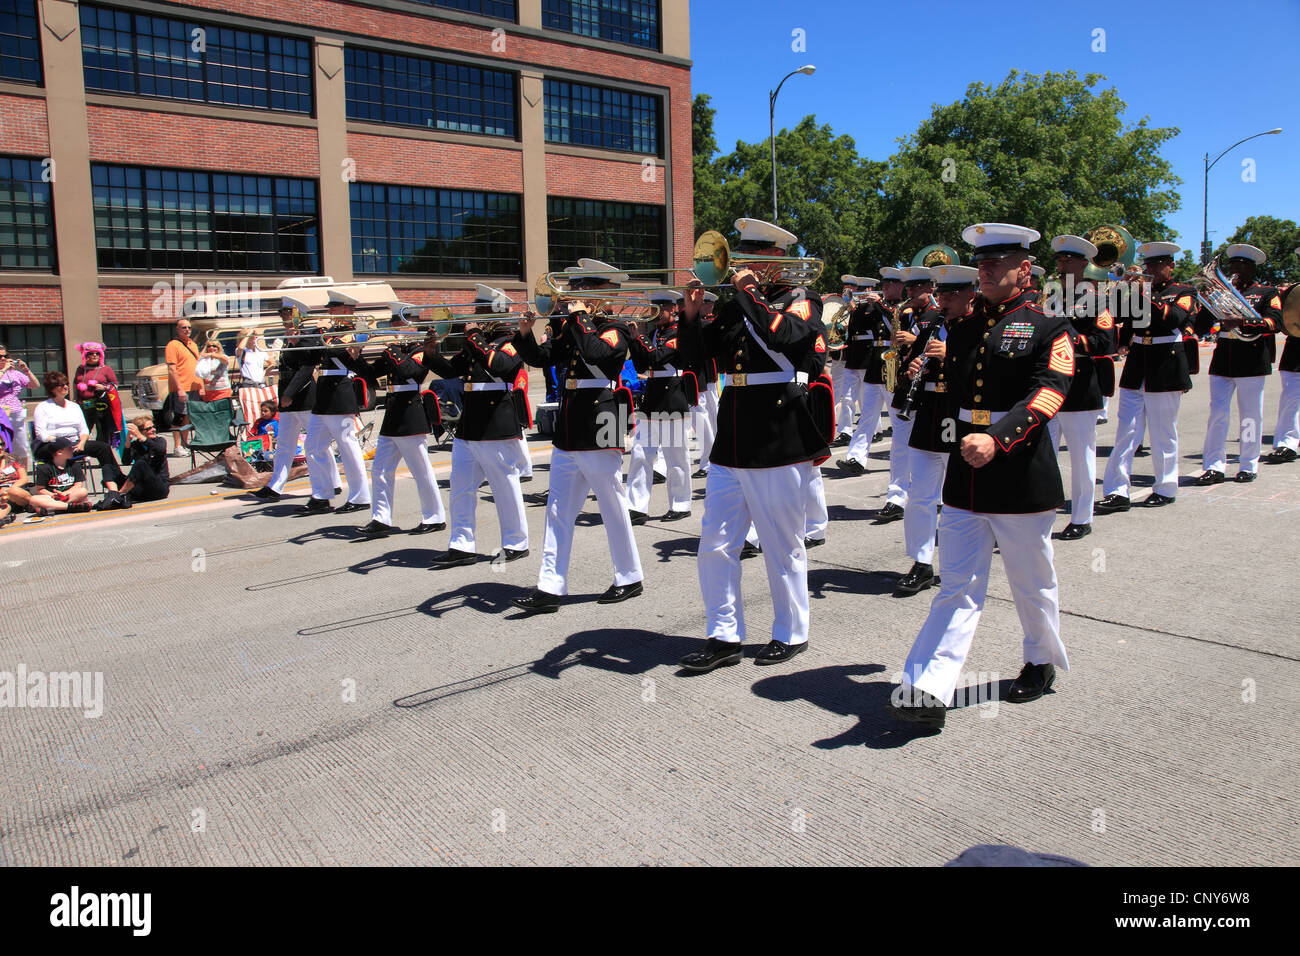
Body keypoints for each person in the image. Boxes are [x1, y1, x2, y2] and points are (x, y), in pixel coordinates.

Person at [891, 222, 1073, 731]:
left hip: (1019, 472)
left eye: (999, 262)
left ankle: (1040, 660)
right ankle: (927, 685)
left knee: (1031, 583)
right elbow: (955, 395)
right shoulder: (964, 327)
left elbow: (1049, 393)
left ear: (1024, 269)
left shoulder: (1049, 328)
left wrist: (999, 437)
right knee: (957, 583)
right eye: (983, 262)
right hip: (966, 477)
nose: (988, 269)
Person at [674, 218, 831, 672]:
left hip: (779, 434)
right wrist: (691, 312)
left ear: (778, 258)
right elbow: (696, 355)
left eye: (754, 255)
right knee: (715, 544)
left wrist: (747, 293)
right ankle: (723, 635)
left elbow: (784, 337)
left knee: (783, 545)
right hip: (734, 435)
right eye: (740, 254)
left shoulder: (801, 300)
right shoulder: (738, 304)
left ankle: (790, 630)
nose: (741, 262)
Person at [510, 259, 645, 613]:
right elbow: (544, 358)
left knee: (613, 504)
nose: (573, 296)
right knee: (557, 508)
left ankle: (629, 576)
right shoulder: (574, 326)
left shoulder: (615, 327)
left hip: (603, 416)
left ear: (606, 292)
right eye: (575, 289)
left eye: (584, 289)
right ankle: (550, 587)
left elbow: (597, 353)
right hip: (571, 421)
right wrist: (524, 335)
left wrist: (578, 318)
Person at [422, 285, 530, 561]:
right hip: (469, 423)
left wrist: (473, 335)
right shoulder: (476, 342)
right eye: (477, 310)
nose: (475, 315)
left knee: (504, 486)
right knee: (460, 487)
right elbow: (451, 371)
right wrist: (431, 352)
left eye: (480, 310)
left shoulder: (510, 341)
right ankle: (461, 544)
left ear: (497, 313)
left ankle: (517, 542)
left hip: (496, 421)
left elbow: (500, 367)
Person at [895, 264, 977, 596]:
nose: (944, 301)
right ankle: (921, 562)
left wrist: (951, 356)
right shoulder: (931, 326)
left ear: (971, 294)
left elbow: (988, 376)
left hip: (958, 415)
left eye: (952, 294)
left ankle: (958, 562)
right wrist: (911, 368)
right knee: (920, 496)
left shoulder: (980, 328)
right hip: (927, 413)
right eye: (941, 294)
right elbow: (906, 366)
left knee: (957, 497)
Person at [1096, 242, 1196, 513]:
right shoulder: (1138, 290)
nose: (1151, 269)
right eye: (1148, 265)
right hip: (1138, 361)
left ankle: (1165, 486)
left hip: (1166, 361)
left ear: (1170, 266)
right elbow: (1117, 314)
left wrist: (1143, 293)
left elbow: (1173, 317)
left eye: (1156, 265)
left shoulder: (1183, 291)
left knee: (1164, 432)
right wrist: (1121, 289)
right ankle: (1117, 491)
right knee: (1126, 431)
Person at [1191, 243, 1284, 484]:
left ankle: (1248, 464)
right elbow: (1200, 328)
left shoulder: (1266, 293)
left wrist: (1242, 322)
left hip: (1252, 360)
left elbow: (1274, 323)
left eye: (1241, 265)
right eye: (1232, 265)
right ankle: (1213, 466)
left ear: (1252, 268)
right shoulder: (1222, 293)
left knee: (1250, 416)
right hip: (1223, 359)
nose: (1235, 270)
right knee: (1217, 415)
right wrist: (1210, 306)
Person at [348, 319, 447, 538]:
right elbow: (371, 374)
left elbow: (409, 371)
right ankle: (381, 518)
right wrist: (356, 356)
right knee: (380, 469)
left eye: (400, 326)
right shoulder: (396, 352)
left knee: (421, 471)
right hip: (393, 416)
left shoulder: (420, 350)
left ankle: (435, 517)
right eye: (393, 326)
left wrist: (391, 349)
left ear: (412, 329)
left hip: (411, 415)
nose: (396, 331)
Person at [1045, 234, 1116, 540]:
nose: (1061, 266)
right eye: (1060, 260)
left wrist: (1069, 340)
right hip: (1048, 386)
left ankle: (1082, 517)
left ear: (1083, 264)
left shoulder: (1098, 301)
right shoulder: (1049, 299)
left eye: (1068, 260)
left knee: (1081, 455)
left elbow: (1105, 342)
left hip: (1080, 386)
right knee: (1044, 455)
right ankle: (1041, 514)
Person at [283, 293, 371, 514]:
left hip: (340, 393)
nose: (329, 312)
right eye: (330, 308)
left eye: (334, 308)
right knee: (312, 446)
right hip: (322, 395)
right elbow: (308, 359)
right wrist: (296, 341)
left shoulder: (356, 330)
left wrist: (313, 337)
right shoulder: (326, 331)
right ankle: (321, 495)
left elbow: (339, 352)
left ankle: (360, 496)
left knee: (348, 449)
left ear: (347, 310)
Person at [860, 266, 935, 526]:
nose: (911, 291)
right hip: (905, 386)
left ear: (930, 288)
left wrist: (915, 339)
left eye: (917, 287)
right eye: (909, 287)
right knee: (900, 447)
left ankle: (940, 496)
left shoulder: (939, 314)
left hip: (933, 390)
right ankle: (896, 498)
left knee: (936, 451)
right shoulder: (904, 312)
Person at [254, 304, 338, 502]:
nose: (284, 316)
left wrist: (290, 393)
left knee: (318, 444)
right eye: (281, 312)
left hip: (303, 396)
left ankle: (333, 482)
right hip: (288, 395)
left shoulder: (306, 336)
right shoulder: (286, 337)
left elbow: (307, 367)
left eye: (288, 313)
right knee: (284, 445)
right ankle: (275, 486)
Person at [627, 289, 694, 523]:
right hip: (653, 396)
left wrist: (640, 339)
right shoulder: (655, 333)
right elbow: (641, 365)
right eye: (654, 307)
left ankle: (681, 503)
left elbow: (657, 358)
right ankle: (636, 506)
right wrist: (635, 341)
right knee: (640, 454)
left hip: (672, 395)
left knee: (676, 457)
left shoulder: (678, 332)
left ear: (673, 309)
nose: (657, 312)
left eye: (662, 307)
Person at [32, 371, 125, 493]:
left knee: (103, 448)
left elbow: (84, 429)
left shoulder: (74, 406)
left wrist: (82, 442)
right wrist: (61, 442)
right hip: (51, 445)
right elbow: (41, 434)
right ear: (53, 388)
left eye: (66, 384)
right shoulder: (43, 407)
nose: (66, 387)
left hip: (74, 443)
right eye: (62, 385)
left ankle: (116, 482)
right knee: (54, 446)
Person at [835, 276, 891, 470]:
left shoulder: (883, 308)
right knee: (853, 401)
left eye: (857, 288)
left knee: (895, 415)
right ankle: (855, 454)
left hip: (875, 358)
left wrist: (878, 304)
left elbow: (890, 328)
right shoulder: (856, 309)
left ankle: (879, 432)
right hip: (856, 356)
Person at [1264, 247, 1300, 465]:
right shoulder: (1293, 290)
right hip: (1297, 351)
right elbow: (1283, 325)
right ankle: (1287, 444)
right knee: (1291, 399)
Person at [689, 291, 720, 478]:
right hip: (700, 375)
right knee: (704, 416)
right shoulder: (697, 323)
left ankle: (709, 460)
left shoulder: (708, 324)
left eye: (705, 304)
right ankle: (711, 458)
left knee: (708, 416)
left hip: (706, 375)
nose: (703, 307)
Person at [72, 342, 122, 446]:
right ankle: (81, 453)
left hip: (101, 404)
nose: (94, 355)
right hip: (84, 404)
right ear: (86, 355)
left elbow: (115, 385)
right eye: (91, 353)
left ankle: (103, 453)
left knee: (102, 431)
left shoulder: (106, 369)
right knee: (83, 429)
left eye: (97, 353)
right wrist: (75, 398)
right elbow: (75, 383)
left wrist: (104, 387)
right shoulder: (80, 369)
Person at [28, 437, 93, 515]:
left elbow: (78, 484)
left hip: (69, 495)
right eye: (69, 448)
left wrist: (65, 493)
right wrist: (53, 495)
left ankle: (54, 509)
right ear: (59, 452)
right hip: (53, 497)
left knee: (83, 491)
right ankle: (72, 508)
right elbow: (40, 489)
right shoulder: (44, 468)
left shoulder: (74, 465)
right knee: (33, 499)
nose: (73, 450)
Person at [115, 415, 170, 505]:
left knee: (140, 463)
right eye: (149, 428)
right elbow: (126, 462)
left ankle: (119, 494)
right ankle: (113, 495)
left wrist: (140, 437)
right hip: (142, 490)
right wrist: (128, 441)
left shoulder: (160, 441)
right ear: (140, 431)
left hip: (159, 489)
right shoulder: (136, 445)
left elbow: (160, 450)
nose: (153, 429)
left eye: (153, 427)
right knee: (109, 468)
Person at [164, 319, 200, 450]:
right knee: (179, 417)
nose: (187, 330)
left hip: (194, 387)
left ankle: (185, 443)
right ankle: (177, 446)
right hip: (181, 387)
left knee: (188, 417)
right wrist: (179, 389)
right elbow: (172, 369)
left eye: (189, 328)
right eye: (184, 327)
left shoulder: (193, 344)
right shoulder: (173, 345)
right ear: (177, 329)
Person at [0, 343, 37, 468]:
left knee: (21, 446)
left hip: (15, 413)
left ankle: (23, 477)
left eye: (5, 356)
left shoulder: (14, 373)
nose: (3, 359)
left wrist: (26, 370)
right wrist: (3, 370)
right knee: (3, 446)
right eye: (0, 357)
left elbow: (34, 385)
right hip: (1, 413)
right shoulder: (4, 371)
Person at [1, 447, 29, 527]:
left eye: (1, 444)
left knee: (14, 491)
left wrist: (8, 489)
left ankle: (33, 505)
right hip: (2, 497)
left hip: (17, 491)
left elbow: (24, 479)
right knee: (5, 505)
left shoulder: (12, 458)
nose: (0, 447)